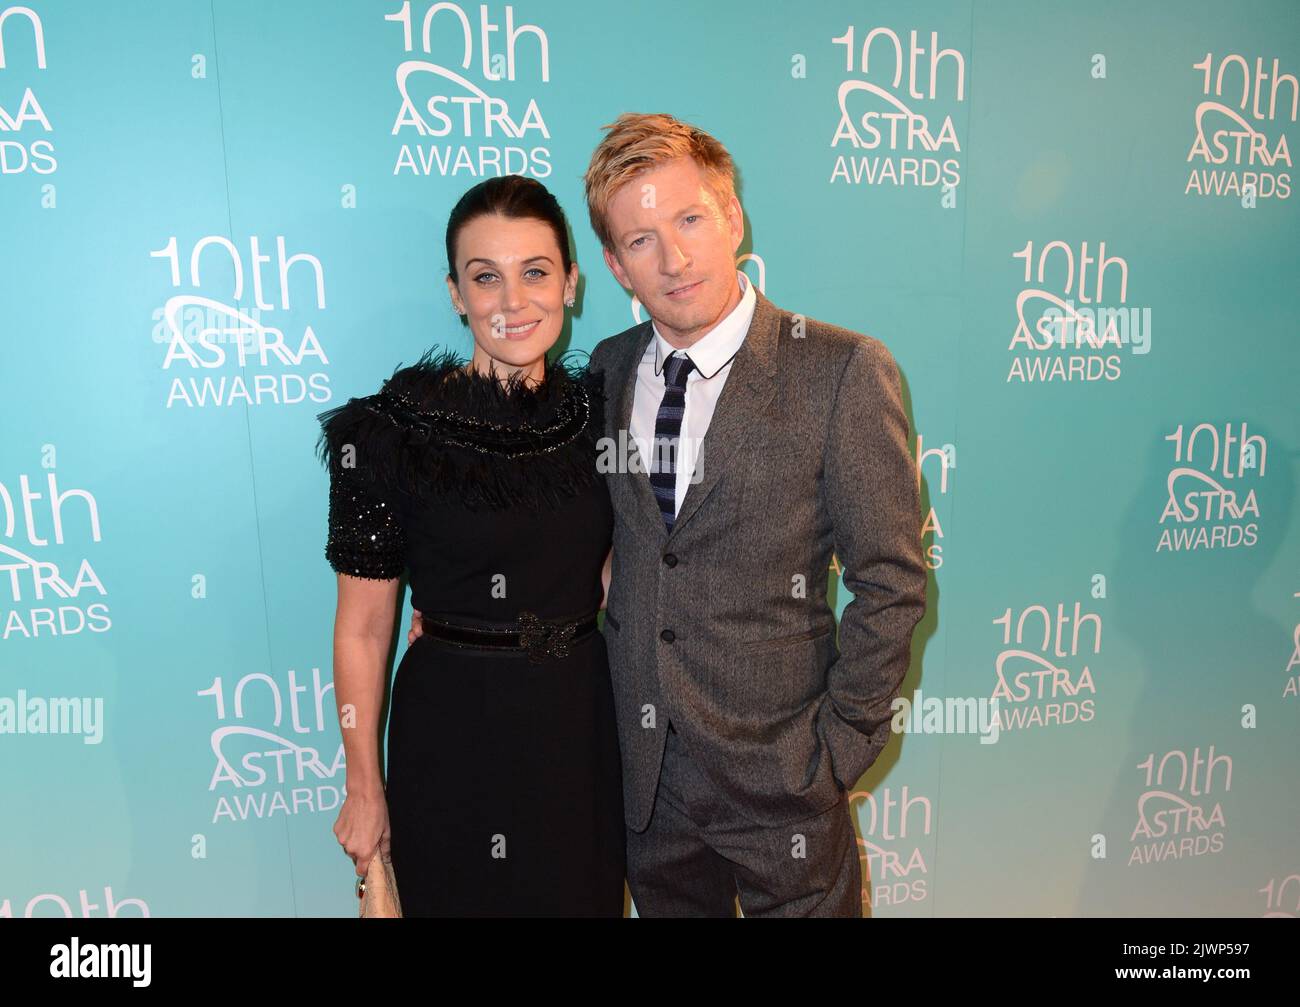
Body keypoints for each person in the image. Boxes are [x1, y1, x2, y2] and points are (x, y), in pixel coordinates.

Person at [413, 113, 928, 917]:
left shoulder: (840, 371)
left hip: (786, 791)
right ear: (614, 264)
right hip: (646, 793)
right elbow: (568, 535)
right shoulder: (606, 376)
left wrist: (833, 755)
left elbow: (890, 583)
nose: (674, 257)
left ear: (732, 218)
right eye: (641, 239)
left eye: (689, 220)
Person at [318, 174, 625, 917]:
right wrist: (364, 787)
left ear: (572, 282)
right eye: (485, 277)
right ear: (455, 292)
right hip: (451, 734)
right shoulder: (391, 433)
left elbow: (620, 575)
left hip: (578, 729)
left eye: (536, 272)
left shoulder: (606, 417)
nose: (512, 302)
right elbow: (363, 628)